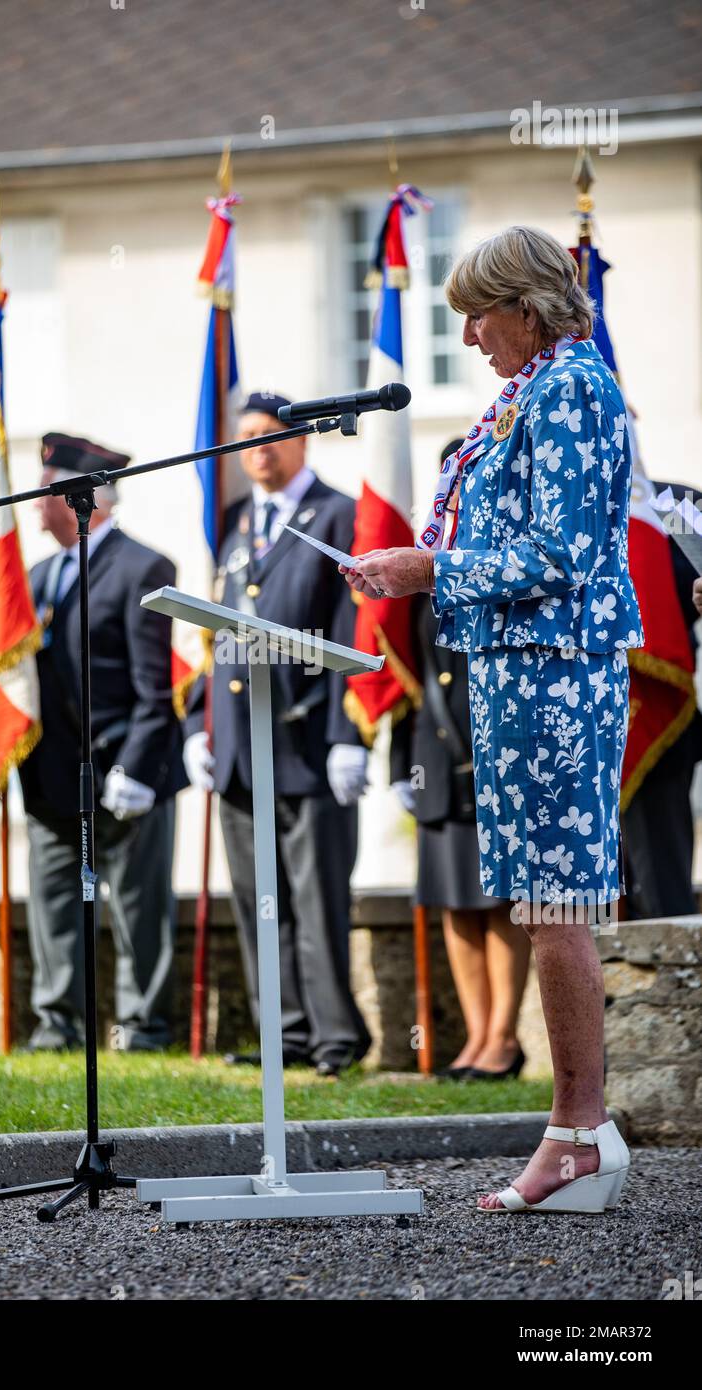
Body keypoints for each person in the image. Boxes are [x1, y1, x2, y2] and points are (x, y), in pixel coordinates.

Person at [341, 226, 641, 1212]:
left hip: (554, 671)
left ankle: (577, 1134)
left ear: (525, 305)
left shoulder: (566, 389)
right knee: (540, 903)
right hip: (522, 671)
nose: (466, 336)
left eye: (477, 313)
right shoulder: (537, 389)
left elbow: (557, 552)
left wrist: (425, 566)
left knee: (555, 907)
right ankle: (571, 1133)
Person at [184, 391, 371, 1077]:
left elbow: (353, 629)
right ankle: (283, 1034)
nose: (257, 449)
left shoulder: (338, 515)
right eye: (247, 438)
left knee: (315, 900)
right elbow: (219, 630)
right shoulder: (238, 523)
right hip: (241, 746)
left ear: (301, 442)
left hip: (308, 744)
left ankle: (333, 1038)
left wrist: (350, 731)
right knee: (258, 899)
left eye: (269, 436)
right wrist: (198, 722)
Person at [18, 434, 185, 1052]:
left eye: (47, 492)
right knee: (55, 903)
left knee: (137, 907)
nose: (36, 504)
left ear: (81, 496)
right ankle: (56, 1023)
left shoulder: (144, 567)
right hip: (52, 774)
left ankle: (143, 1026)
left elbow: (155, 686)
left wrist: (138, 767)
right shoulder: (34, 579)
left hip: (124, 771)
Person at [391, 439, 530, 1081]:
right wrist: (402, 763)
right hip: (435, 752)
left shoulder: (507, 560)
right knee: (454, 899)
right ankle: (474, 1037)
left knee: (500, 899)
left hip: (494, 747)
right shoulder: (431, 563)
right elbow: (410, 674)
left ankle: (503, 1038)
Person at [621, 477, 702, 918]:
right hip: (575, 727)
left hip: (658, 721)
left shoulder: (676, 504)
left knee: (661, 884)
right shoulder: (559, 498)